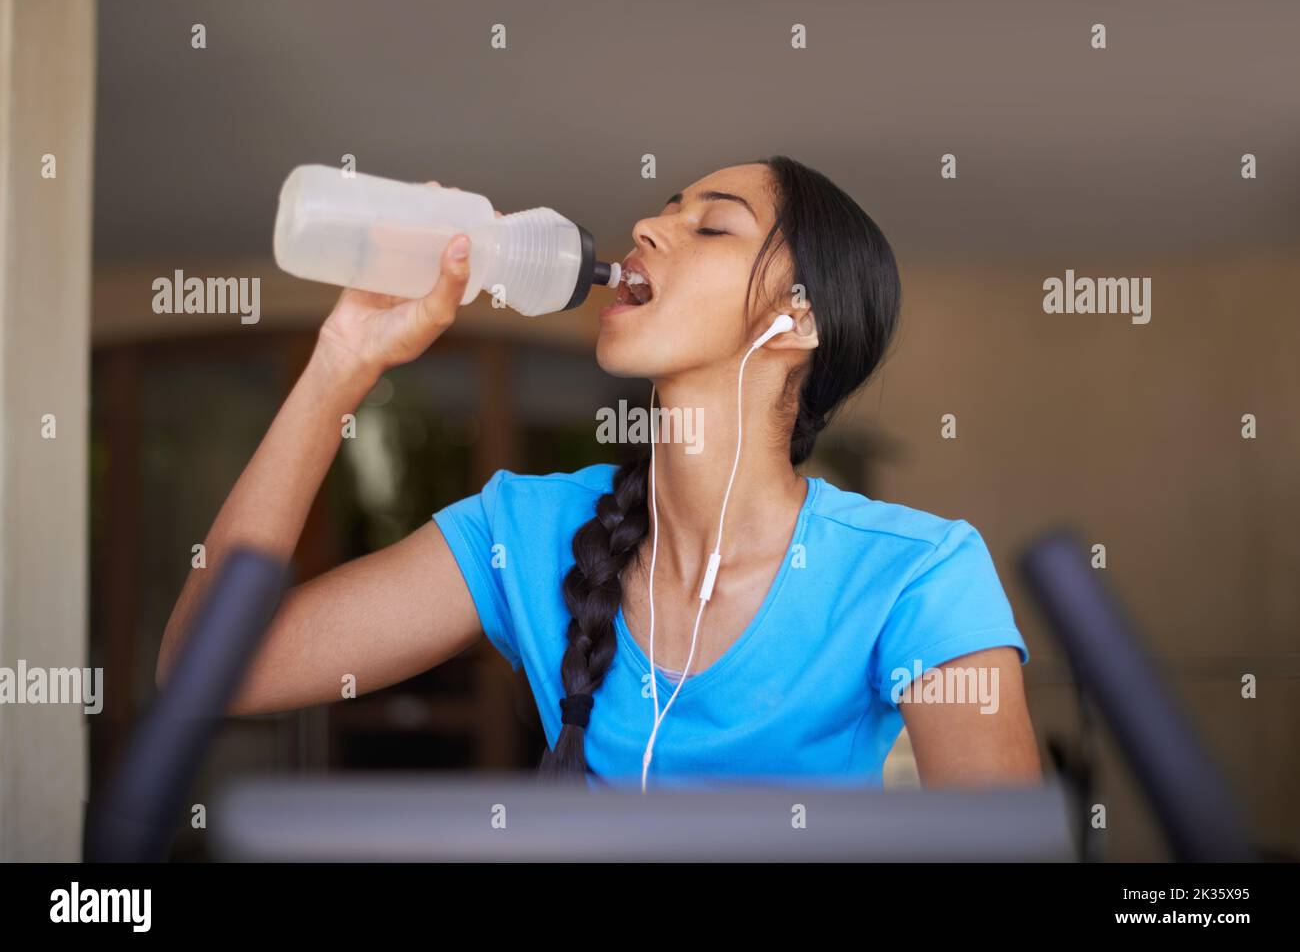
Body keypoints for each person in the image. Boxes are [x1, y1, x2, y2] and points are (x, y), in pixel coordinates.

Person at [156, 156, 1040, 791]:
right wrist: (341, 362)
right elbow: (209, 669)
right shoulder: (528, 532)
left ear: (796, 319)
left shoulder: (915, 575)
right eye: (662, 208)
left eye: (711, 223)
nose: (647, 227)